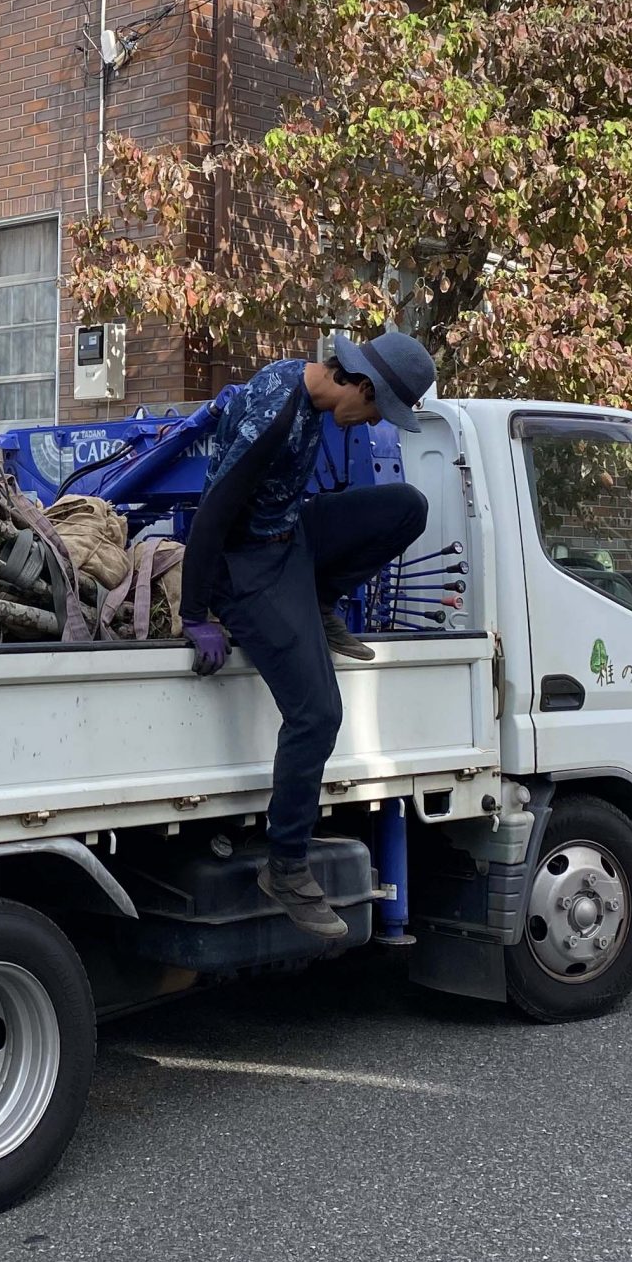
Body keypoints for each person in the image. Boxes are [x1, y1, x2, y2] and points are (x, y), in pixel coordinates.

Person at [180, 330, 435, 939]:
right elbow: (214, 510)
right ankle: (286, 865)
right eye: (375, 410)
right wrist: (196, 613)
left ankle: (319, 603)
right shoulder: (277, 412)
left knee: (406, 506)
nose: (367, 423)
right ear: (362, 386)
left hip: (288, 538)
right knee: (317, 713)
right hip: (246, 568)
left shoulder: (314, 392)